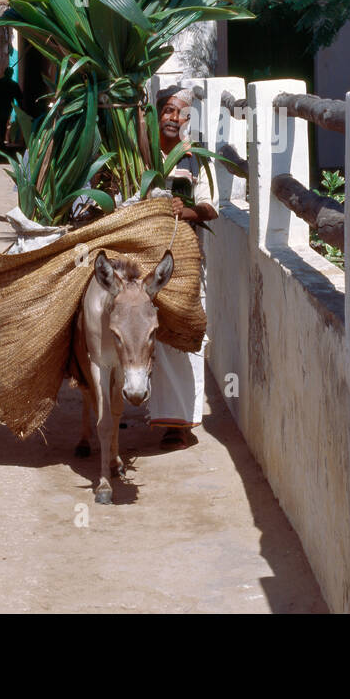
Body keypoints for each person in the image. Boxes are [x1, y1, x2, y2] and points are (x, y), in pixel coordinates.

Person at [150, 86, 217, 448]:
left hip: (184, 260)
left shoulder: (195, 158)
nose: (177, 119)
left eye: (184, 114)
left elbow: (211, 207)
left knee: (183, 333)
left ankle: (179, 424)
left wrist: (184, 211)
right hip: (145, 261)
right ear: (156, 113)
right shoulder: (139, 155)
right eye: (171, 111)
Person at [0, 67, 23, 150]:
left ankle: (1, 140)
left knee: (0, 123)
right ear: (11, 74)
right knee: (3, 123)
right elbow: (19, 98)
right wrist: (22, 109)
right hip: (7, 107)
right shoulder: (13, 84)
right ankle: (1, 140)